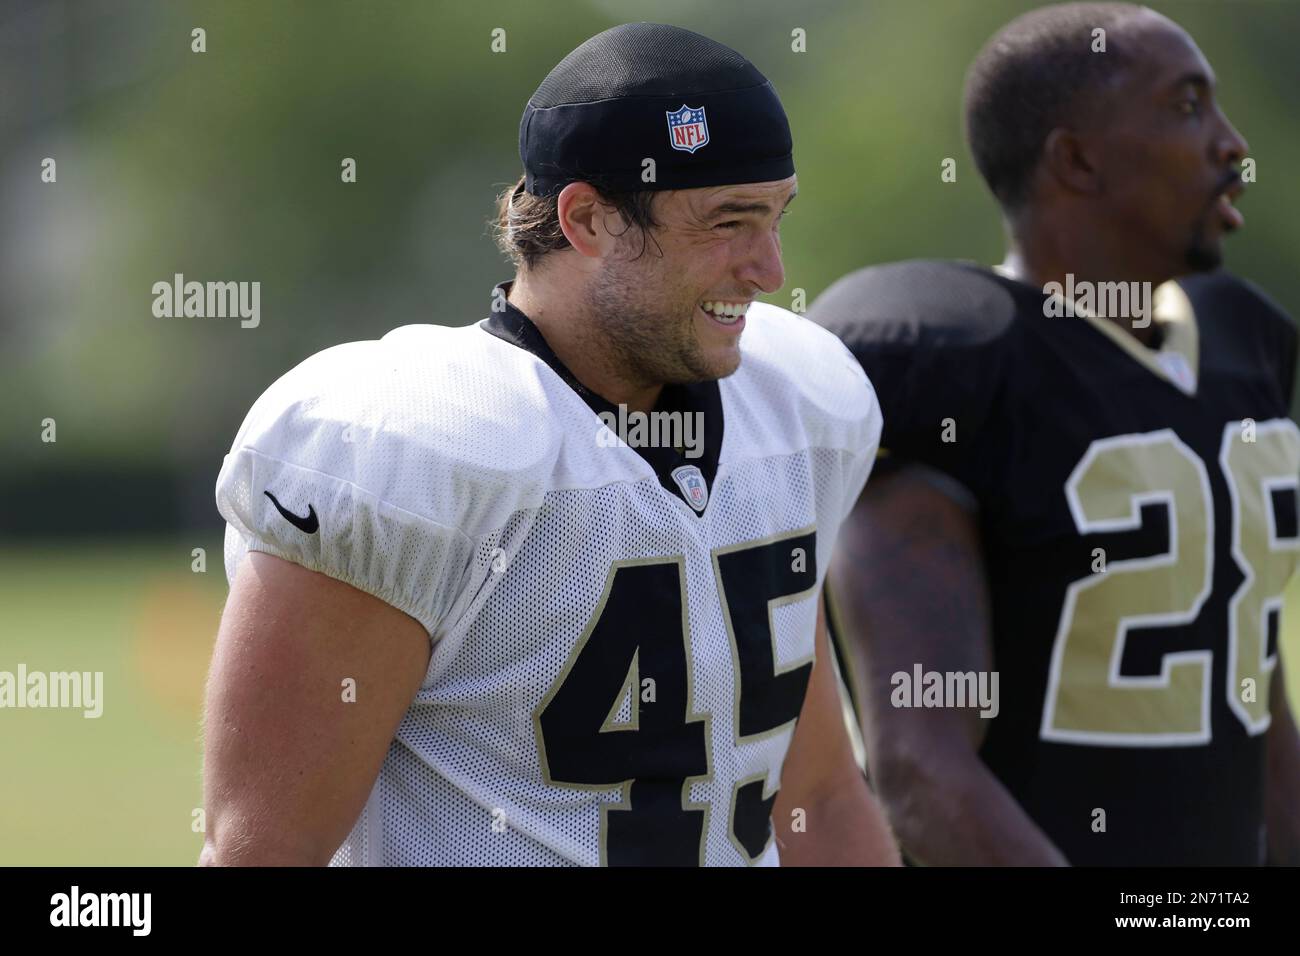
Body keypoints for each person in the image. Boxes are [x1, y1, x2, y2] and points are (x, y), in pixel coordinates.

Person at [201, 22, 899, 867]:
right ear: (589, 220)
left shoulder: (792, 408)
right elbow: (267, 851)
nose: (770, 267)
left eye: (776, 215)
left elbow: (819, 798)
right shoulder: (416, 445)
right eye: (729, 221)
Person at [810, 2, 1300, 865]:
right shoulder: (959, 362)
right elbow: (921, 770)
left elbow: (1254, 695)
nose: (1232, 145)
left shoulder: (1241, 344)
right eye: (1187, 107)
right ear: (1076, 159)